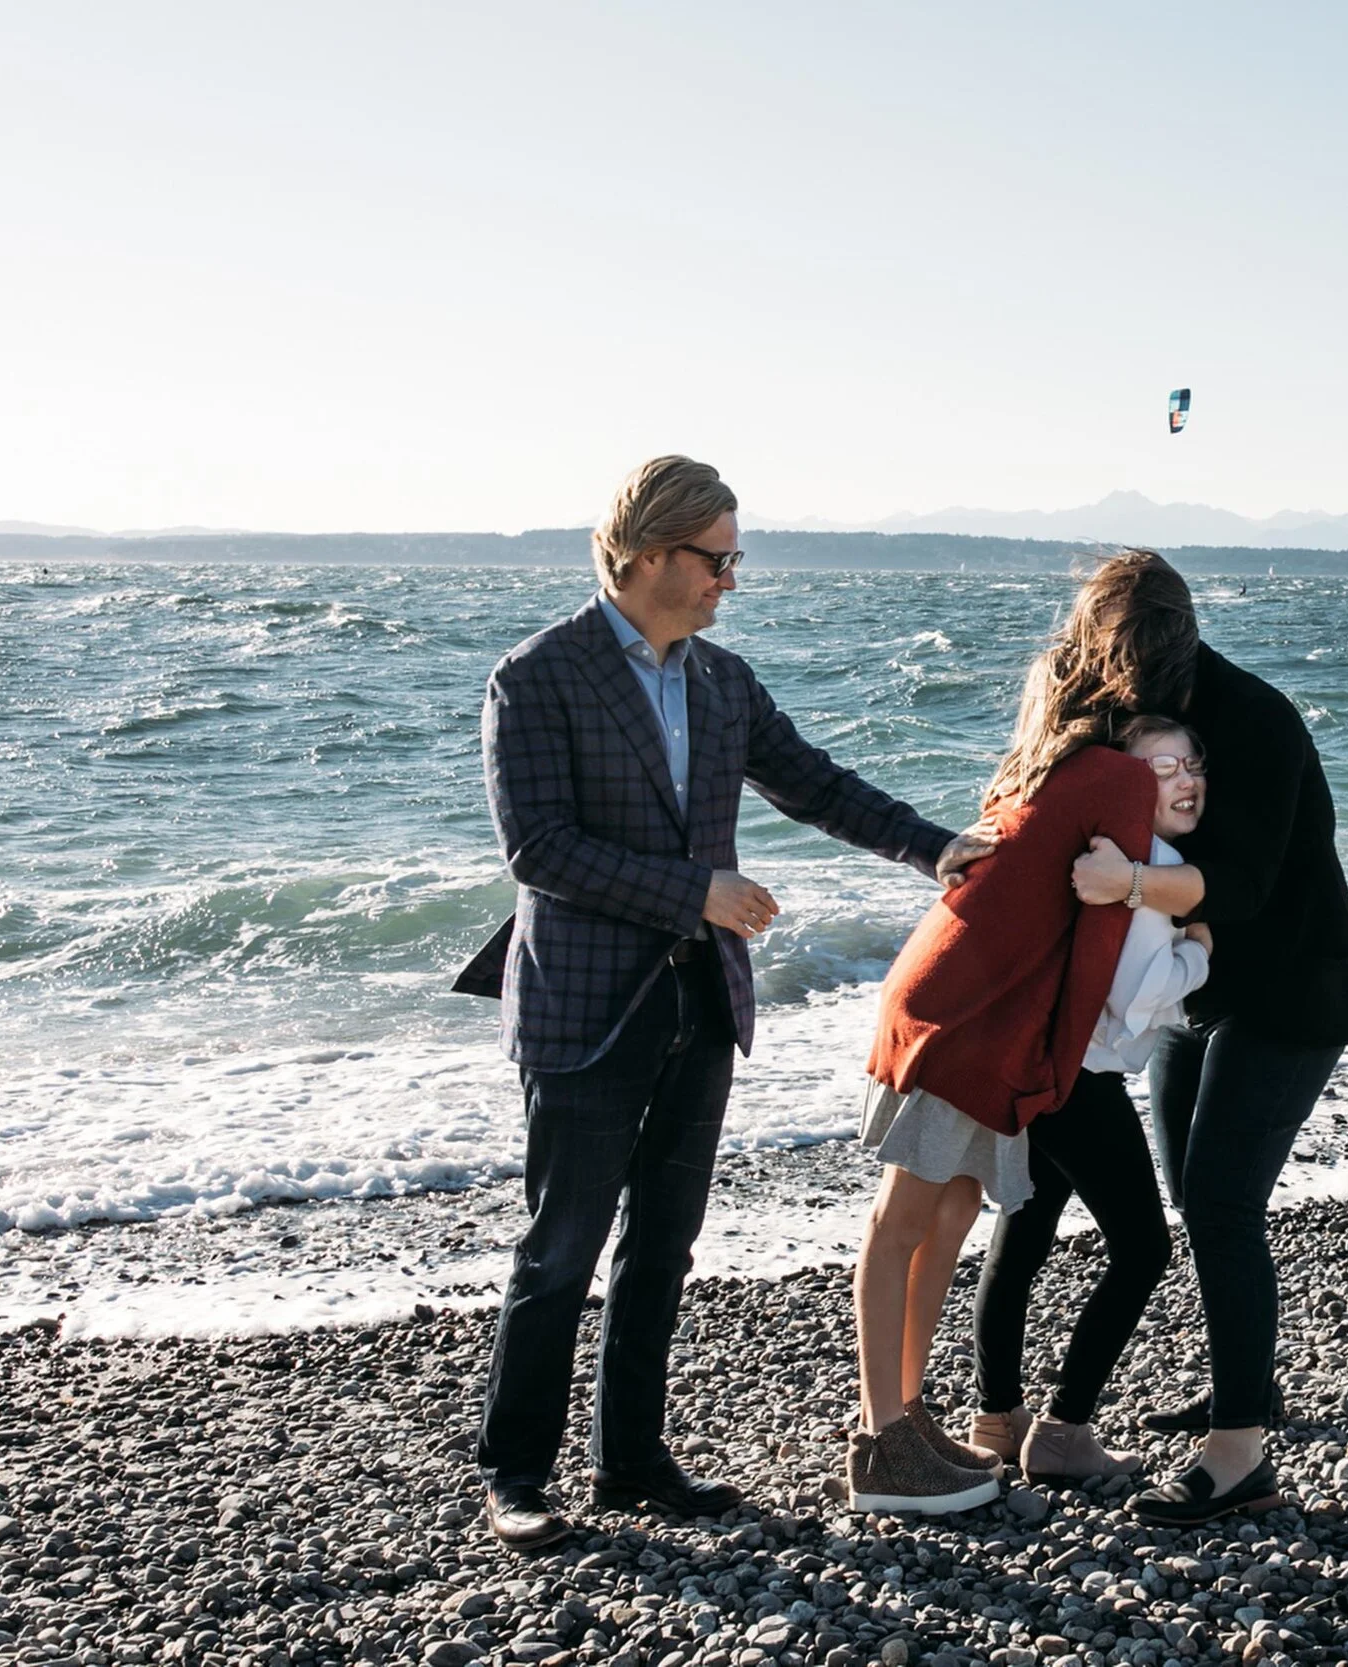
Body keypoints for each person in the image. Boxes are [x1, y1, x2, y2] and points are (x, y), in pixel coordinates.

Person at [460, 455, 988, 1551]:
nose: (729, 580)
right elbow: (539, 849)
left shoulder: (721, 680)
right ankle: (515, 1474)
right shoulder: (537, 675)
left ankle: (633, 1462)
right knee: (560, 1247)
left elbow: (818, 784)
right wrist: (696, 889)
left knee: (663, 1245)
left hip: (701, 1000)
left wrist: (937, 849)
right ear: (649, 551)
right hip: (584, 1004)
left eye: (734, 559)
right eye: (716, 558)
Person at [1064, 549, 1348, 1526]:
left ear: (1182, 635)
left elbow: (1238, 887)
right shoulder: (1115, 700)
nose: (1129, 678)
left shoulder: (1257, 720)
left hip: (1291, 984)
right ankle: (1246, 1386)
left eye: (1145, 657)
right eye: (1113, 658)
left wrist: (1123, 886)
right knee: (1196, 1198)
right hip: (1199, 989)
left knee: (1221, 1196)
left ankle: (1239, 1451)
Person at [844, 616, 1183, 1513]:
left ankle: (907, 1418)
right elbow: (1098, 941)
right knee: (903, 1218)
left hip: (964, 1007)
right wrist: (1058, 1071)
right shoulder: (1115, 776)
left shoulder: (1049, 764)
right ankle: (879, 1441)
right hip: (960, 1020)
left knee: (950, 1213)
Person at [967, 715, 1208, 1484]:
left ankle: (997, 1419)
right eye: (1161, 767)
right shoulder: (1153, 865)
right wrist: (1200, 949)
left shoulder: (1097, 847)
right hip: (1084, 1076)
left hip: (1036, 1061)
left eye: (1193, 763)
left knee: (1025, 1234)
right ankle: (1066, 1426)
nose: (1185, 779)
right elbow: (1140, 993)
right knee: (1143, 1247)